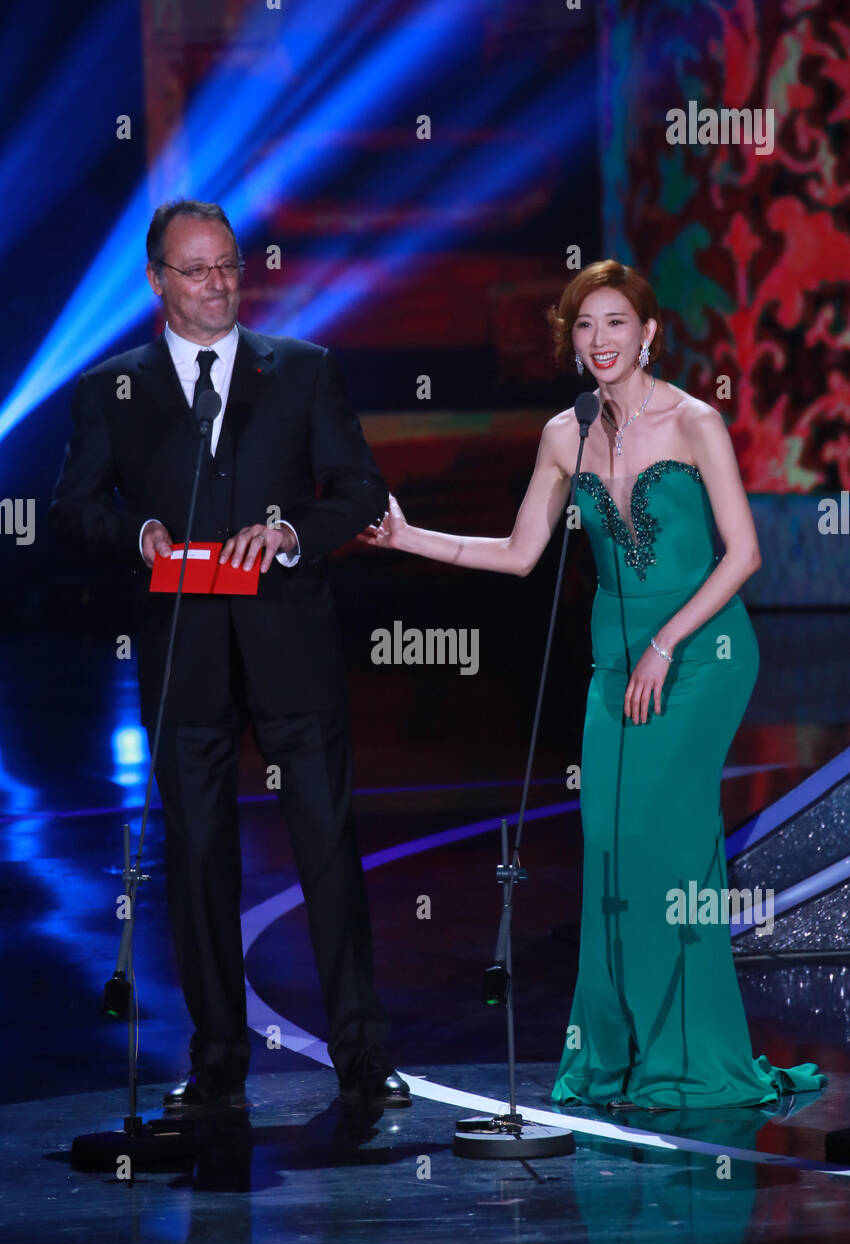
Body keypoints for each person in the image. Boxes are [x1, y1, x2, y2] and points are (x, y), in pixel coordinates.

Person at [359, 258, 826, 1110]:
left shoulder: (695, 422)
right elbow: (517, 554)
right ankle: (615, 1054)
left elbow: (745, 554)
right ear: (571, 344)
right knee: (610, 847)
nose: (600, 339)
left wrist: (667, 643)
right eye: (584, 325)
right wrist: (404, 537)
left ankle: (690, 1058)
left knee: (665, 836)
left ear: (648, 333)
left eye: (616, 322)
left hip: (702, 655)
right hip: (614, 664)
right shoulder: (562, 436)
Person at [50, 198, 410, 1110]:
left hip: (290, 640)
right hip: (185, 656)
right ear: (157, 281)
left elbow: (361, 491)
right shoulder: (113, 390)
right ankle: (216, 1063)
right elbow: (74, 511)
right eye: (197, 270)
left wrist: (289, 531)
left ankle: (363, 1056)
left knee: (327, 844)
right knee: (199, 852)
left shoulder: (302, 370)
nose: (218, 285)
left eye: (229, 267)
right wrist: (140, 534)